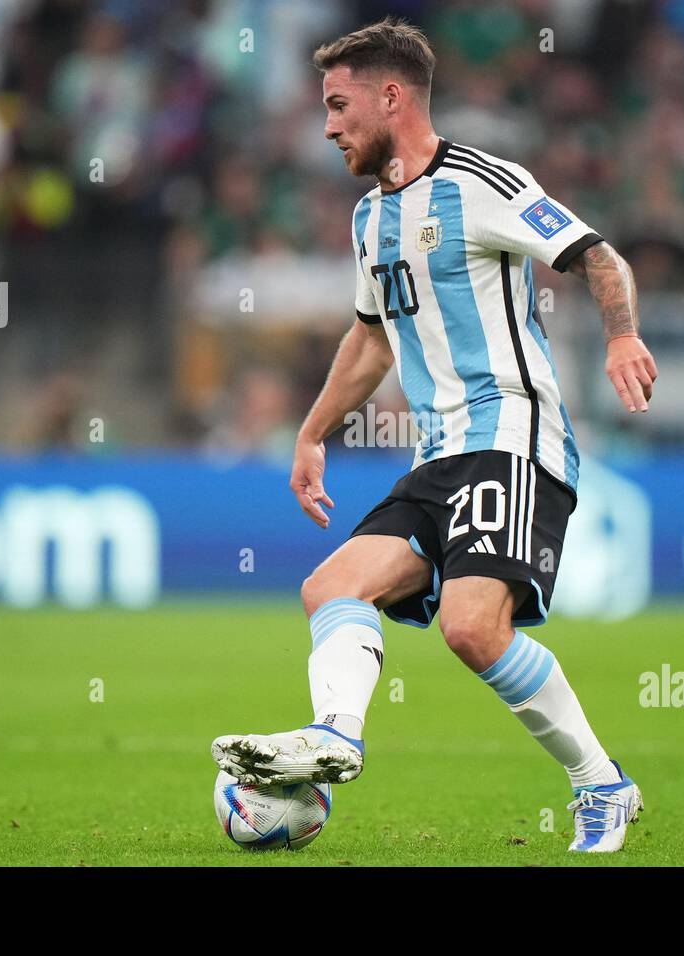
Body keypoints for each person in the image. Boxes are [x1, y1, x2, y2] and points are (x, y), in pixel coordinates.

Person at [212, 18, 658, 853]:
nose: (328, 125)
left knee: (471, 626)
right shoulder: (367, 219)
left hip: (512, 438)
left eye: (340, 106)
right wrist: (310, 434)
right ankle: (337, 735)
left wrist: (622, 335)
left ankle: (603, 785)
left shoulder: (483, 183)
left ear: (393, 96)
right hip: (437, 455)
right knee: (330, 588)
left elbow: (599, 256)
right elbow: (371, 339)